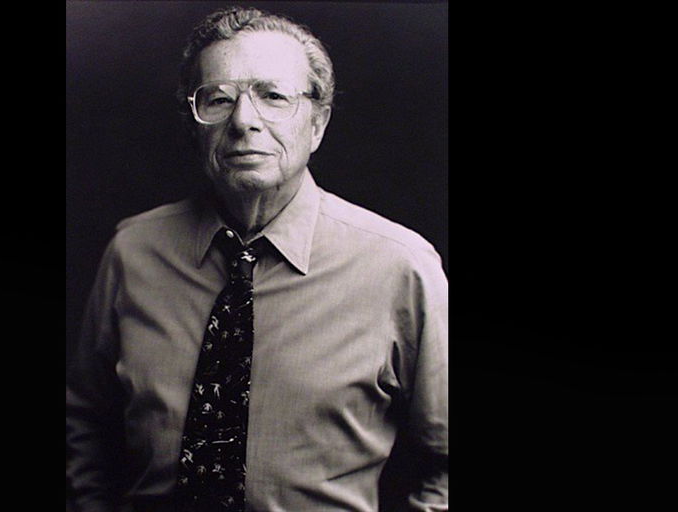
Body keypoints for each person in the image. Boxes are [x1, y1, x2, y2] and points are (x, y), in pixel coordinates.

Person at [67, 6, 447, 512]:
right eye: (219, 99)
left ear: (317, 123)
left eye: (273, 96)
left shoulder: (400, 266)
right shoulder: (132, 252)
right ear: (194, 125)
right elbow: (85, 426)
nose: (244, 121)